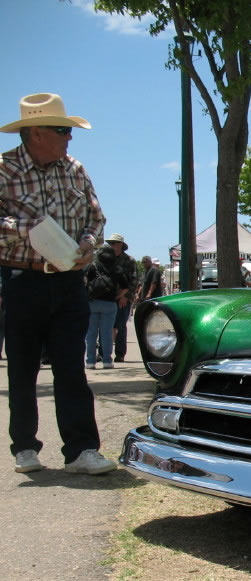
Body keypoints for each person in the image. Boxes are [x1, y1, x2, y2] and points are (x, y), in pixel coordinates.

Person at [0, 92, 116, 474]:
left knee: (71, 367)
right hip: (22, 280)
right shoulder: (4, 169)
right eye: (62, 130)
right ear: (36, 132)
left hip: (69, 281)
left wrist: (89, 243)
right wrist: (27, 229)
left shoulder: (75, 169)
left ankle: (81, 450)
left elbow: (96, 218)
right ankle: (25, 447)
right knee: (22, 368)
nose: (70, 137)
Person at [84, 239, 129, 369]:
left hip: (92, 303)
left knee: (91, 333)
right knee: (107, 333)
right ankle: (107, 361)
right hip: (109, 304)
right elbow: (125, 287)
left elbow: (84, 281)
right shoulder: (117, 269)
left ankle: (90, 361)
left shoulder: (93, 266)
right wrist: (118, 296)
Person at [101, 233, 136, 362]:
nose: (110, 245)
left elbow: (134, 280)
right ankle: (103, 353)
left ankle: (120, 354)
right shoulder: (105, 259)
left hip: (123, 299)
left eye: (113, 243)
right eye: (109, 243)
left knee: (120, 326)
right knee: (104, 326)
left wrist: (126, 296)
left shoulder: (129, 260)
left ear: (120, 245)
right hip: (107, 297)